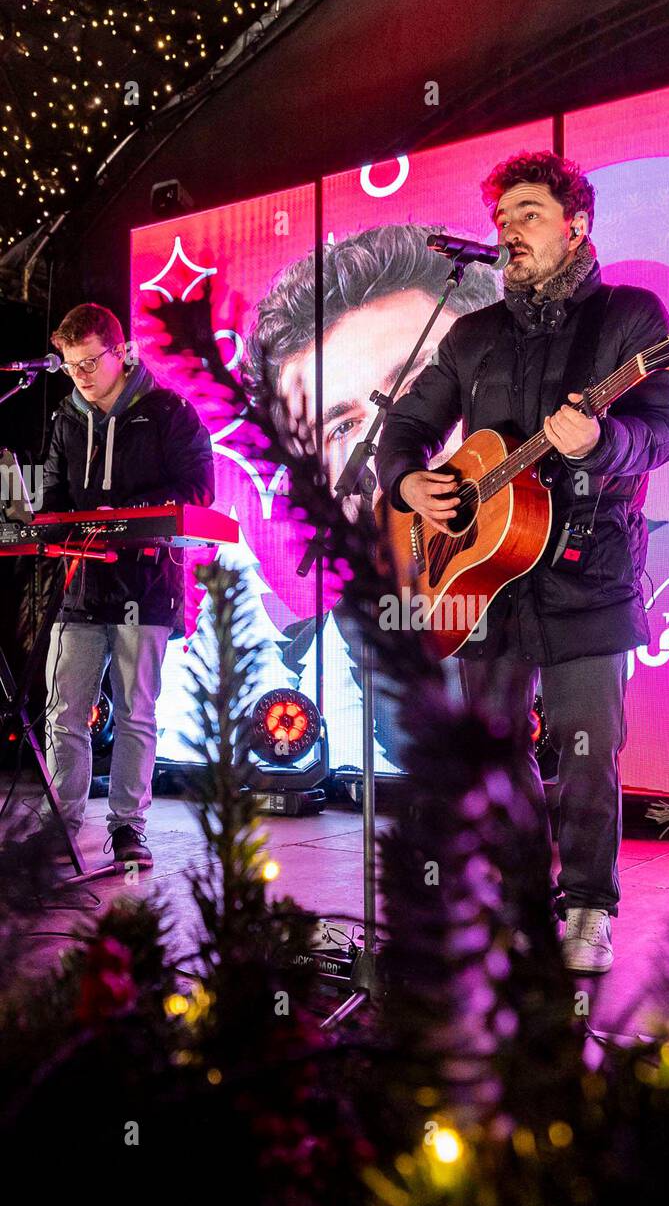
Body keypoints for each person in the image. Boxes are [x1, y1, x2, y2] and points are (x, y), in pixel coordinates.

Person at [375, 151, 669, 973]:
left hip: (590, 574)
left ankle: (588, 905)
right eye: (502, 218)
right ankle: (519, 901)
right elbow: (403, 430)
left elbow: (663, 426)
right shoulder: (472, 333)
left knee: (589, 746)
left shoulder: (629, 316)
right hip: (484, 582)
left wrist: (606, 439)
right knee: (496, 747)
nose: (508, 231)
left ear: (576, 224)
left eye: (528, 215)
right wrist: (410, 483)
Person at [244, 224, 499, 772]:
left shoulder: (589, 604)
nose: (384, 444)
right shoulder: (292, 676)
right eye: (341, 427)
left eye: (420, 389)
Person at [38, 302, 214, 867]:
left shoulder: (167, 412)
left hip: (147, 582)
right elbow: (55, 496)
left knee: (136, 710)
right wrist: (52, 520)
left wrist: (128, 513)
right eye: (71, 366)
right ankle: (59, 823)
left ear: (121, 352)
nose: (82, 376)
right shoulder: (66, 418)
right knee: (64, 708)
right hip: (81, 583)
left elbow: (198, 492)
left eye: (91, 362)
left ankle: (128, 827)